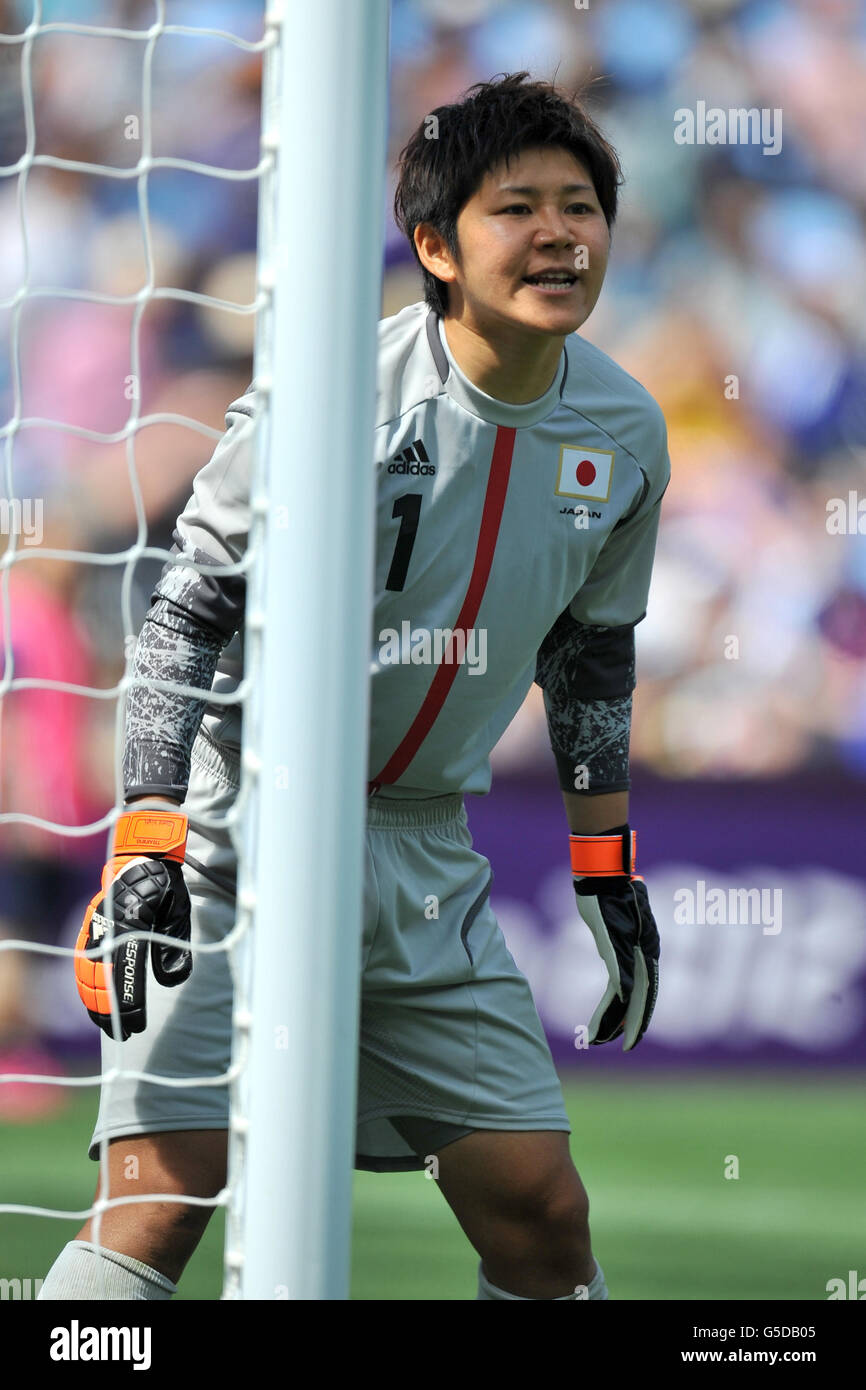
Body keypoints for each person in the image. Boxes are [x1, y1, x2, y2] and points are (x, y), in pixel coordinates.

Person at [40, 72, 668, 1302]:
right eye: (516, 208)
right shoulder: (330, 402)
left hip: (425, 856)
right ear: (433, 244)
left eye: (581, 206)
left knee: (541, 1218)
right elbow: (186, 615)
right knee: (159, 1200)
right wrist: (147, 842)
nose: (557, 233)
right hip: (238, 830)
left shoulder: (627, 430)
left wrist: (605, 865)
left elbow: (591, 653)